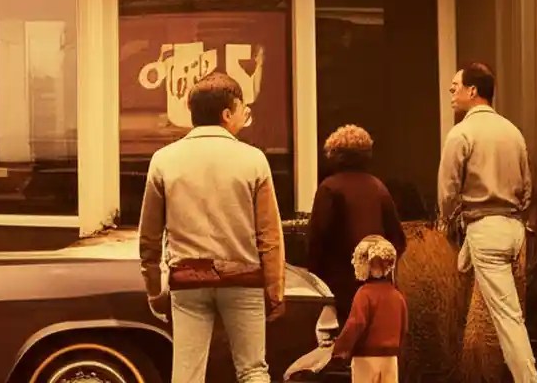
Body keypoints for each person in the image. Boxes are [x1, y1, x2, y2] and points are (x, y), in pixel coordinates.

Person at [139, 71, 285, 383]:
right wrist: (275, 289)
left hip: (187, 280)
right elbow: (269, 235)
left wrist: (154, 289)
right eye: (242, 108)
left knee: (188, 374)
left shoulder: (163, 160)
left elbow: (149, 237)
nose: (246, 115)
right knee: (253, 370)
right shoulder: (254, 160)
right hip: (243, 279)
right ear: (227, 113)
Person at [437, 62, 537, 383]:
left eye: (455, 86)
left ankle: (528, 379)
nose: (451, 92)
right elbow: (527, 188)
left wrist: (446, 218)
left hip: (486, 228)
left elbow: (448, 190)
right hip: (513, 229)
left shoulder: (461, 133)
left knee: (508, 318)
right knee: (466, 270)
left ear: (473, 91)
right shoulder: (514, 132)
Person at [307, 125, 407, 325]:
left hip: (337, 287)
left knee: (344, 342)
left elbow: (317, 238)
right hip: (377, 286)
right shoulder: (379, 187)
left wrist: (312, 277)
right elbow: (398, 239)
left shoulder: (329, 188)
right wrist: (381, 270)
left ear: (334, 155)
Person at [333, 235, 409, 382]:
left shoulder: (364, 294)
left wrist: (340, 348)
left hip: (365, 359)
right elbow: (404, 330)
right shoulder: (397, 297)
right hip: (391, 360)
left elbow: (356, 324)